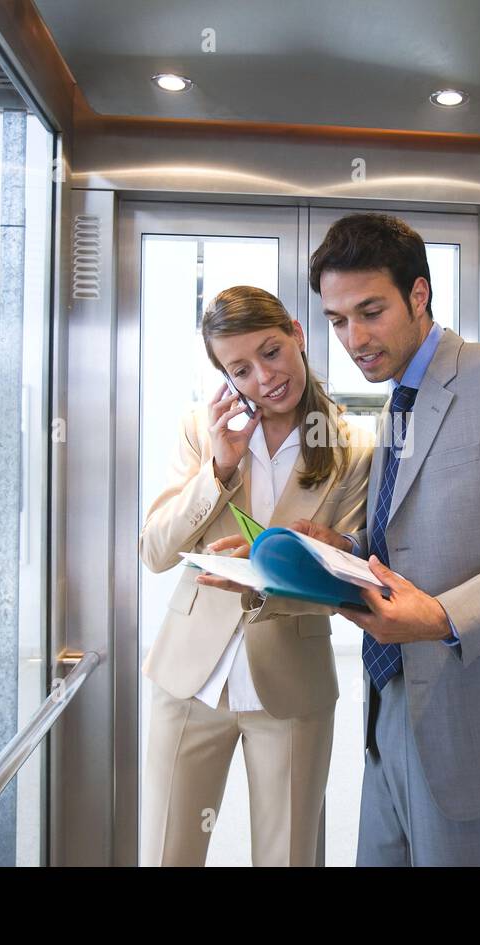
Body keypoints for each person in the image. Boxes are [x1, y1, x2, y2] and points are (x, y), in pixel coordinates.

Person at [250, 212, 480, 865]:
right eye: (336, 320)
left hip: (477, 721)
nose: (354, 338)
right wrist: (341, 548)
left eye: (370, 311)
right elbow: (408, 535)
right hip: (390, 707)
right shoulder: (396, 403)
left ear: (419, 294)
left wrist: (444, 617)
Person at [137, 284, 372, 866]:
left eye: (271, 351)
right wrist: (218, 466)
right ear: (224, 376)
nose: (265, 377)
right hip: (191, 679)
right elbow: (155, 551)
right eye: (240, 369)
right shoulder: (202, 429)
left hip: (291, 685)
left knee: (288, 855)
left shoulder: (353, 446)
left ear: (296, 331)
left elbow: (354, 575)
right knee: (170, 852)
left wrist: (279, 565)